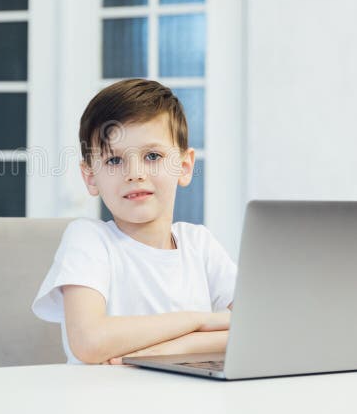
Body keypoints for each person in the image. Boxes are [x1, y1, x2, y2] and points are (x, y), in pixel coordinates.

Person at [32, 78, 236, 365]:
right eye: (114, 161)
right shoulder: (89, 239)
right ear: (91, 176)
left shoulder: (199, 245)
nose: (135, 173)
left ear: (184, 166)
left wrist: (159, 352)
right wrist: (198, 321)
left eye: (152, 156)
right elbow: (90, 342)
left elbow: (257, 330)